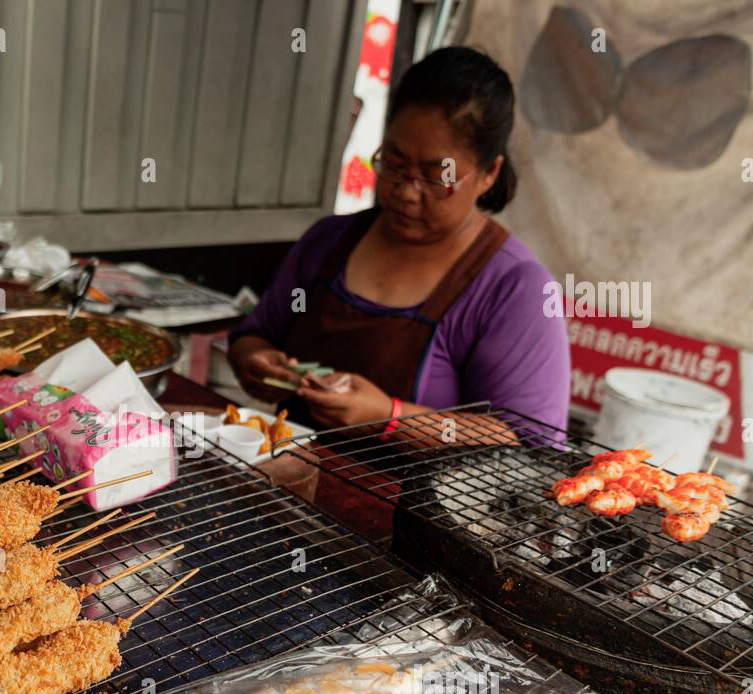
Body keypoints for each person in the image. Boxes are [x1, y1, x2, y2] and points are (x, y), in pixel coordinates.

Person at [228, 47, 569, 443]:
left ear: (489, 173)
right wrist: (254, 361)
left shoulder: (516, 289)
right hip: (288, 484)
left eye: (434, 176)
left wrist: (391, 417)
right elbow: (255, 334)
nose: (406, 192)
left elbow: (531, 440)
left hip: (420, 505)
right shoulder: (328, 242)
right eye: (394, 163)